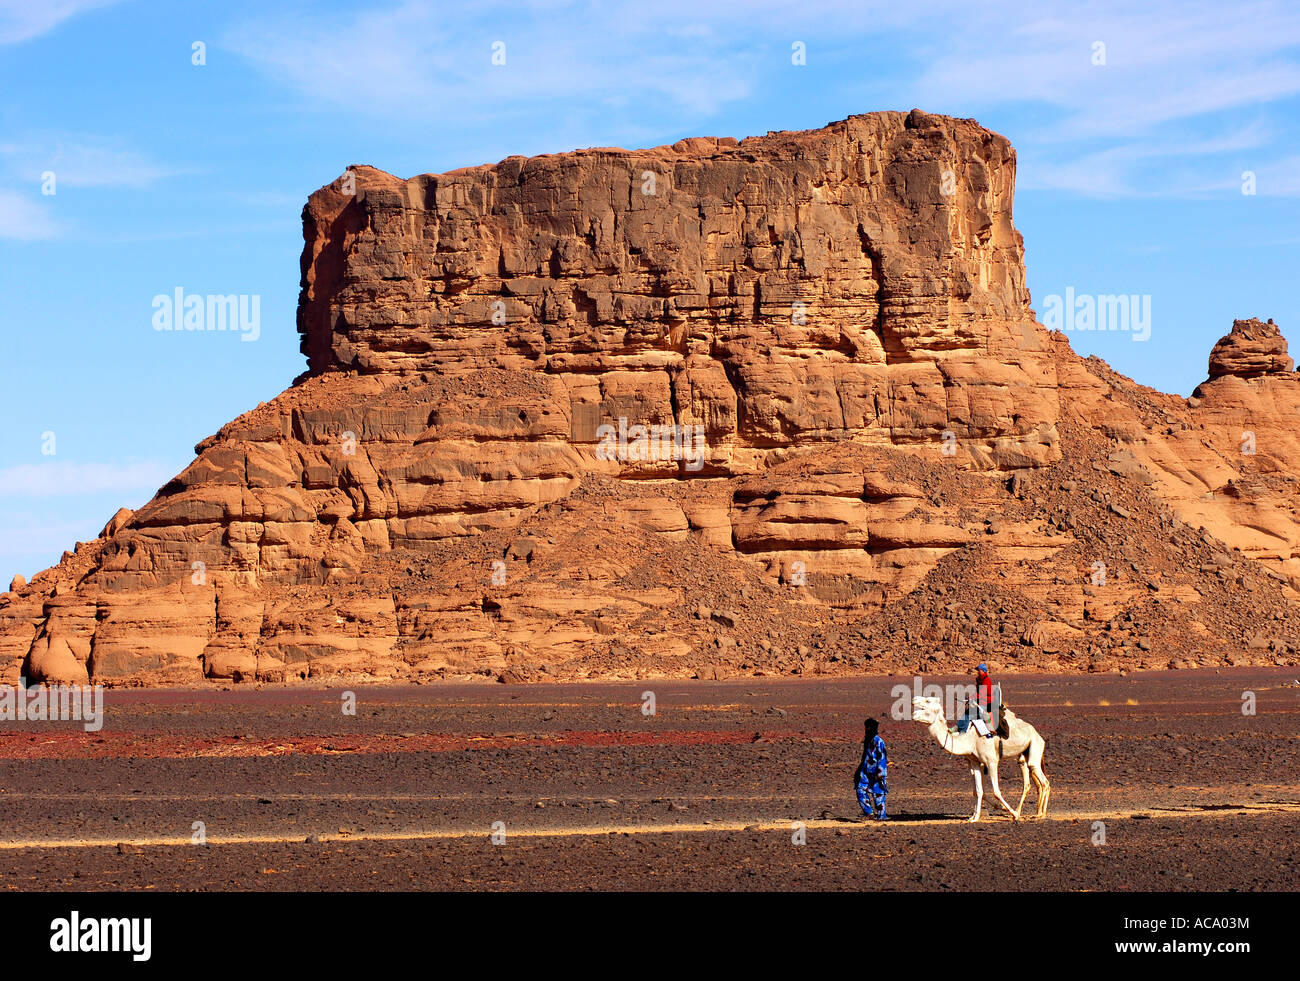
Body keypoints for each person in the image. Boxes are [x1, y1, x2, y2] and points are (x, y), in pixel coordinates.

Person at [855, 717, 887, 821]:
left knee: (878, 794)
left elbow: (882, 758)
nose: (867, 729)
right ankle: (869, 813)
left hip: (876, 771)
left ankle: (881, 817)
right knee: (860, 789)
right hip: (865, 772)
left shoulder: (879, 741)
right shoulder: (868, 740)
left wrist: (881, 773)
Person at [956, 663, 996, 735]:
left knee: (969, 714)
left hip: (986, 702)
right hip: (980, 701)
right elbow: (978, 693)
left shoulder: (986, 681)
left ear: (983, 671)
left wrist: (972, 697)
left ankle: (962, 730)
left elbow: (982, 693)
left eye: (979, 670)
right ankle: (959, 727)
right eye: (977, 670)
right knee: (967, 711)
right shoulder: (980, 679)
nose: (977, 672)